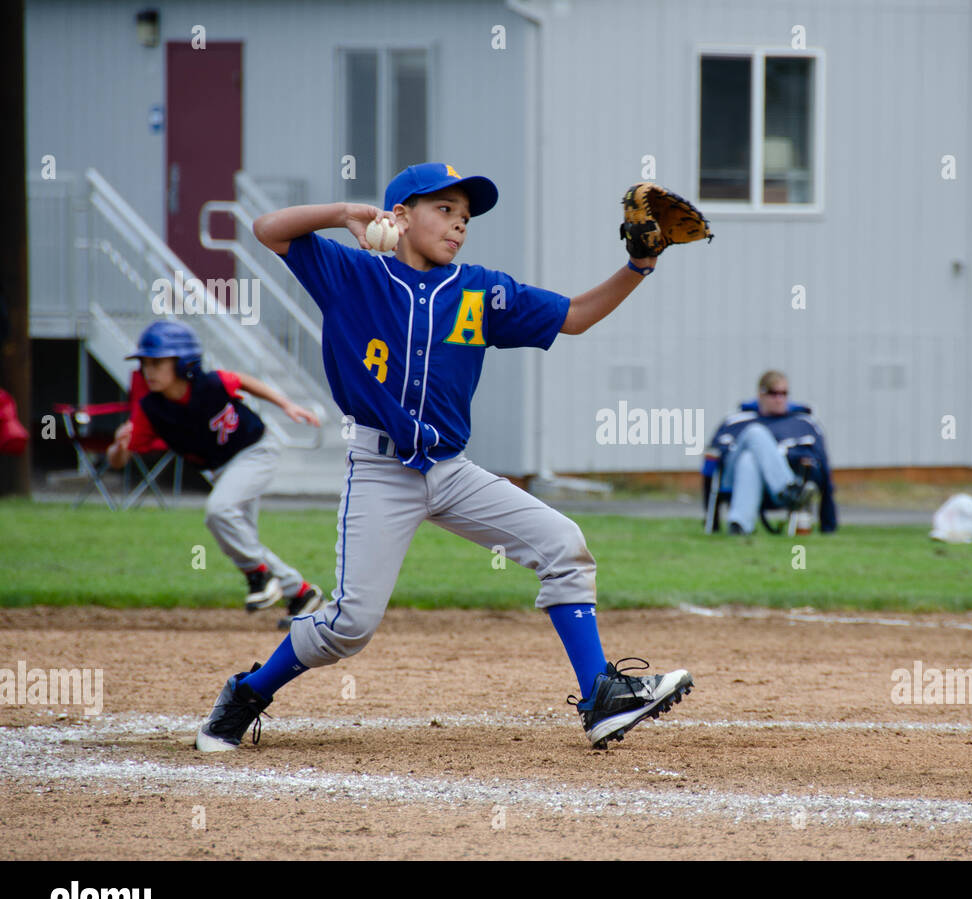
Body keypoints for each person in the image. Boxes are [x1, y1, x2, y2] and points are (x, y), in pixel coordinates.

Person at [195, 162, 693, 753]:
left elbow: (577, 317)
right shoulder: (352, 274)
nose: (459, 226)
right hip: (381, 470)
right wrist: (346, 214)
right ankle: (249, 692)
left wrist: (640, 264)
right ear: (399, 216)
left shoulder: (481, 289)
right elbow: (267, 227)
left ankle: (600, 696)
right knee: (349, 628)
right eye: (445, 210)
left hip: (452, 471)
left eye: (466, 217)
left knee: (563, 544)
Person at [107, 320, 326, 624]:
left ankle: (259, 576)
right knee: (238, 535)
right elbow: (120, 460)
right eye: (145, 363)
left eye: (157, 362)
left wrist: (287, 405)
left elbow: (245, 381)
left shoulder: (209, 384)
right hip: (222, 469)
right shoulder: (150, 409)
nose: (149, 371)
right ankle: (301, 593)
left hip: (256, 451)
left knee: (219, 512)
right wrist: (118, 447)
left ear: (184, 362)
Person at [702, 370, 837, 535]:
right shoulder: (737, 420)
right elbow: (714, 457)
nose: (779, 399)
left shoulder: (803, 423)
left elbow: (822, 465)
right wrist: (712, 518)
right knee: (754, 433)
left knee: (749, 459)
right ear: (760, 394)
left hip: (783, 481)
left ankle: (740, 525)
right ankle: (788, 491)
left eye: (784, 393)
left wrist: (828, 521)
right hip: (733, 481)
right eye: (773, 393)